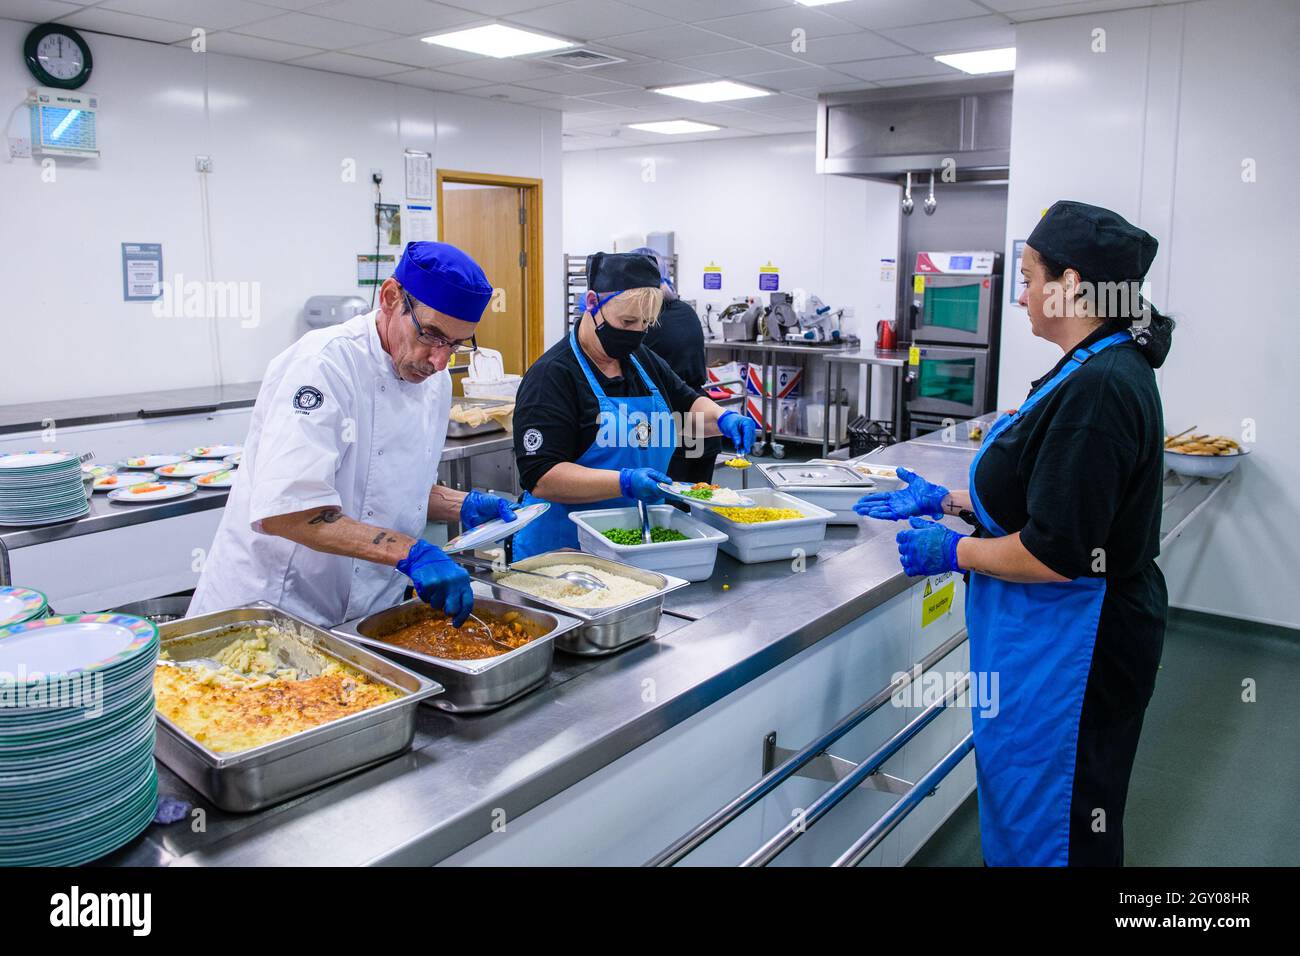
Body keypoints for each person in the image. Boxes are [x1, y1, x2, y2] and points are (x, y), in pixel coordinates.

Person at [855, 201, 1173, 866]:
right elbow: (1047, 494)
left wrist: (954, 549)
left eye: (1029, 277)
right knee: (1033, 801)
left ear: (1073, 284)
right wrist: (950, 499)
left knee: (1057, 821)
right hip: (1051, 633)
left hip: (1076, 641)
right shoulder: (1088, 364)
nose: (1021, 294)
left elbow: (1058, 552)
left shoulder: (1100, 389)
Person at [189, 241, 517, 629]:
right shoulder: (323, 364)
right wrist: (411, 552)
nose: (440, 361)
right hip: (276, 608)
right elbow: (287, 511)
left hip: (369, 614)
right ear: (391, 297)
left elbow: (387, 488)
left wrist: (460, 504)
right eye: (431, 335)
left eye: (456, 344)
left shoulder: (436, 382)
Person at [510, 251, 754, 559]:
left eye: (644, 324)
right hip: (563, 553)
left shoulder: (640, 361)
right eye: (626, 320)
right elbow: (542, 477)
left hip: (634, 544)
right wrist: (623, 482)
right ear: (591, 303)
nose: (634, 332)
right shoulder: (553, 375)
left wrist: (723, 419)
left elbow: (687, 405)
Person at [632, 247, 722, 484]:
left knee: (669, 510)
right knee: (699, 505)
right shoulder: (686, 310)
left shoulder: (646, 322)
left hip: (673, 425)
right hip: (703, 422)